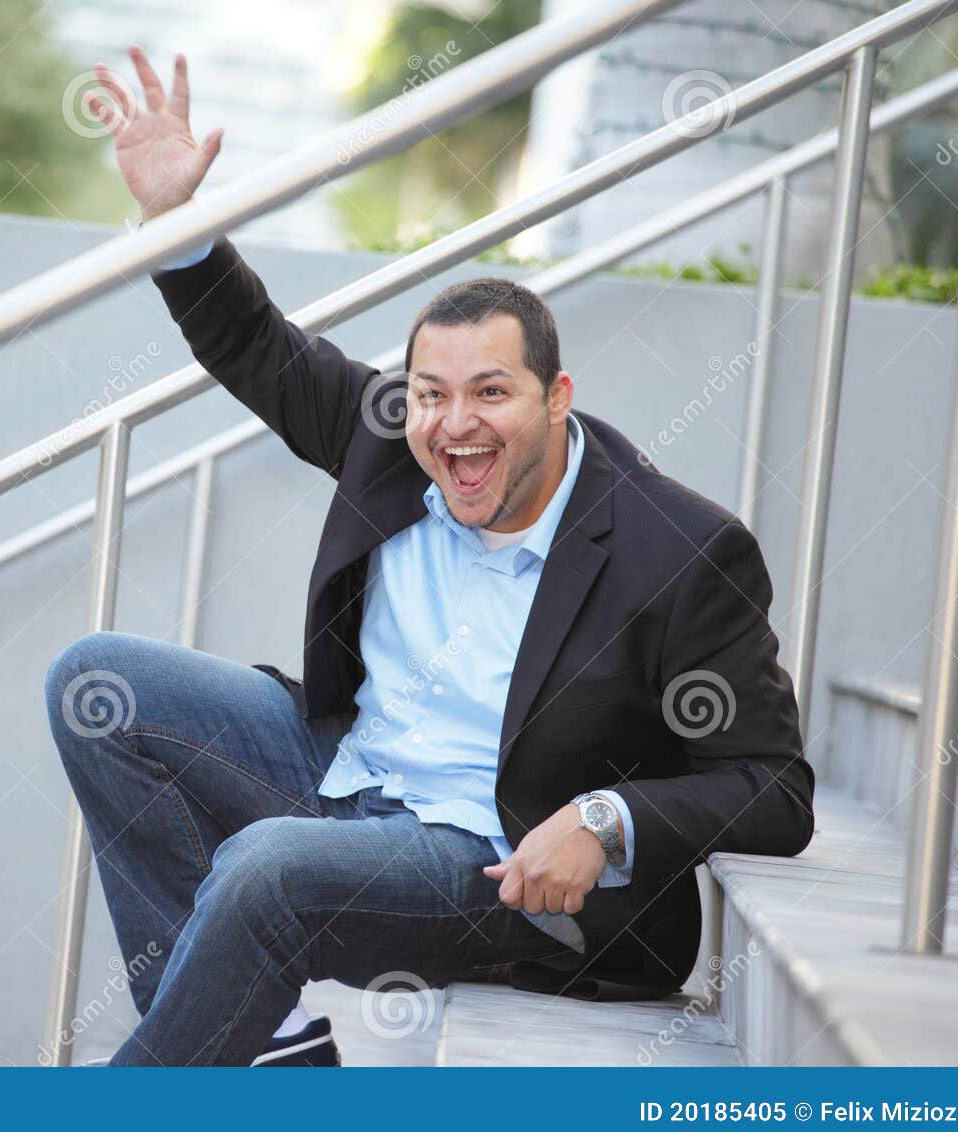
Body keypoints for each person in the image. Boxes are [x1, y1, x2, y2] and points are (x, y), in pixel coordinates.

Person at [46, 46, 814, 1067]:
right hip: (349, 772)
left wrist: (604, 815)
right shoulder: (388, 436)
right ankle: (267, 1042)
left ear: (556, 397)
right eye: (431, 392)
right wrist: (177, 223)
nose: (455, 424)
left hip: (496, 858)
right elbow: (253, 343)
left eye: (490, 391)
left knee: (266, 865)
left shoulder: (679, 548)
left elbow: (775, 786)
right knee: (97, 682)